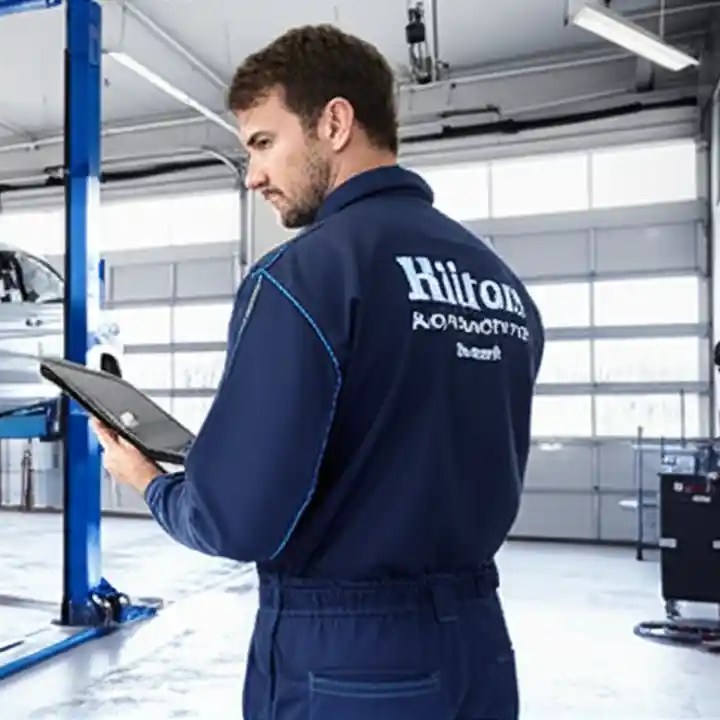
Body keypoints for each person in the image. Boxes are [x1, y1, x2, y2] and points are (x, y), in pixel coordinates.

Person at [92, 23, 545, 720]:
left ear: (334, 122)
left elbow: (235, 521)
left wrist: (149, 482)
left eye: (263, 143)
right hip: (482, 652)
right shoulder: (501, 285)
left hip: (348, 663)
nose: (253, 176)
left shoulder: (303, 278)